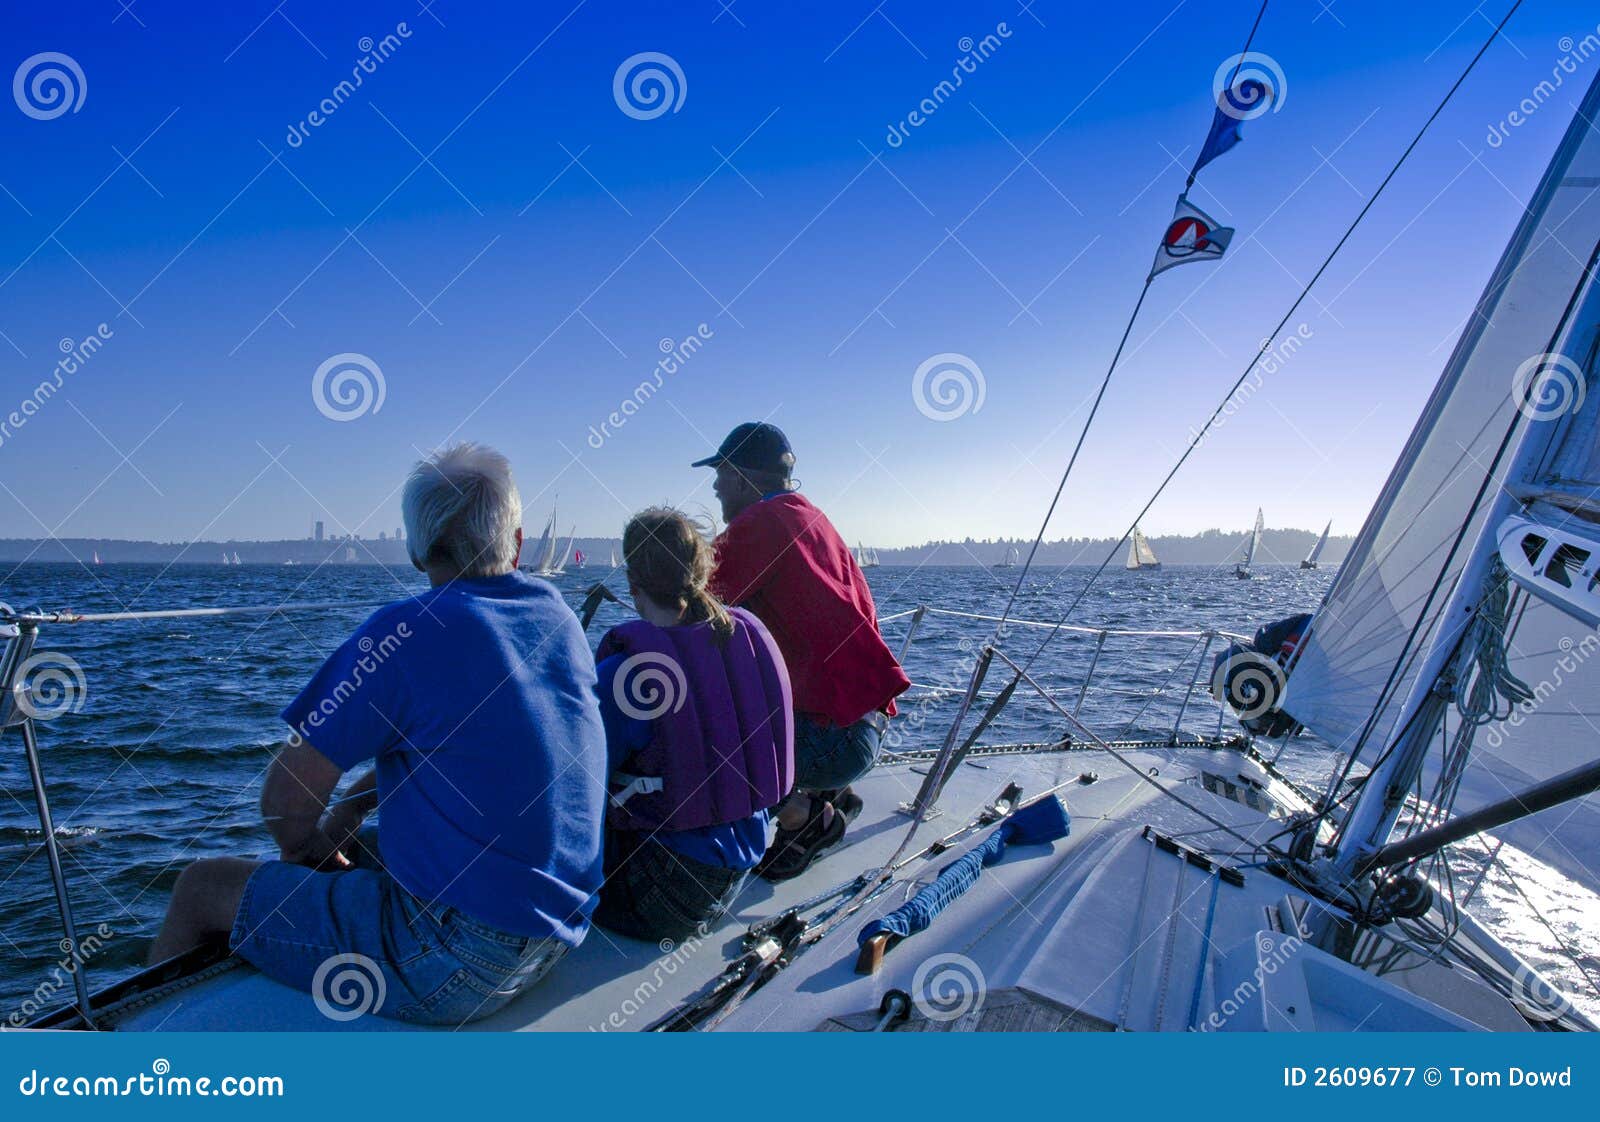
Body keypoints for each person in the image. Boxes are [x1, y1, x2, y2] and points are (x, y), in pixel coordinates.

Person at [148, 444, 608, 1026]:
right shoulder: (557, 617)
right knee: (364, 849)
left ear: (418, 551)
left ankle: (131, 1071)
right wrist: (358, 803)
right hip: (557, 935)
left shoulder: (406, 632)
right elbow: (471, 756)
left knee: (201, 887)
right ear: (516, 543)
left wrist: (305, 850)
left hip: (457, 962)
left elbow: (284, 803)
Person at [693, 422, 910, 880]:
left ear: (743, 477)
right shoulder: (812, 518)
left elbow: (689, 605)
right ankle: (822, 794)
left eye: (722, 472)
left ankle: (803, 813)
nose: (714, 484)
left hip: (831, 741)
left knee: (690, 735)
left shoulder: (757, 525)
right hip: (863, 727)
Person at [592, 508, 793, 940]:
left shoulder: (627, 674)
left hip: (662, 894)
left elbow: (579, 787)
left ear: (633, 583)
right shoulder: (748, 643)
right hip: (735, 876)